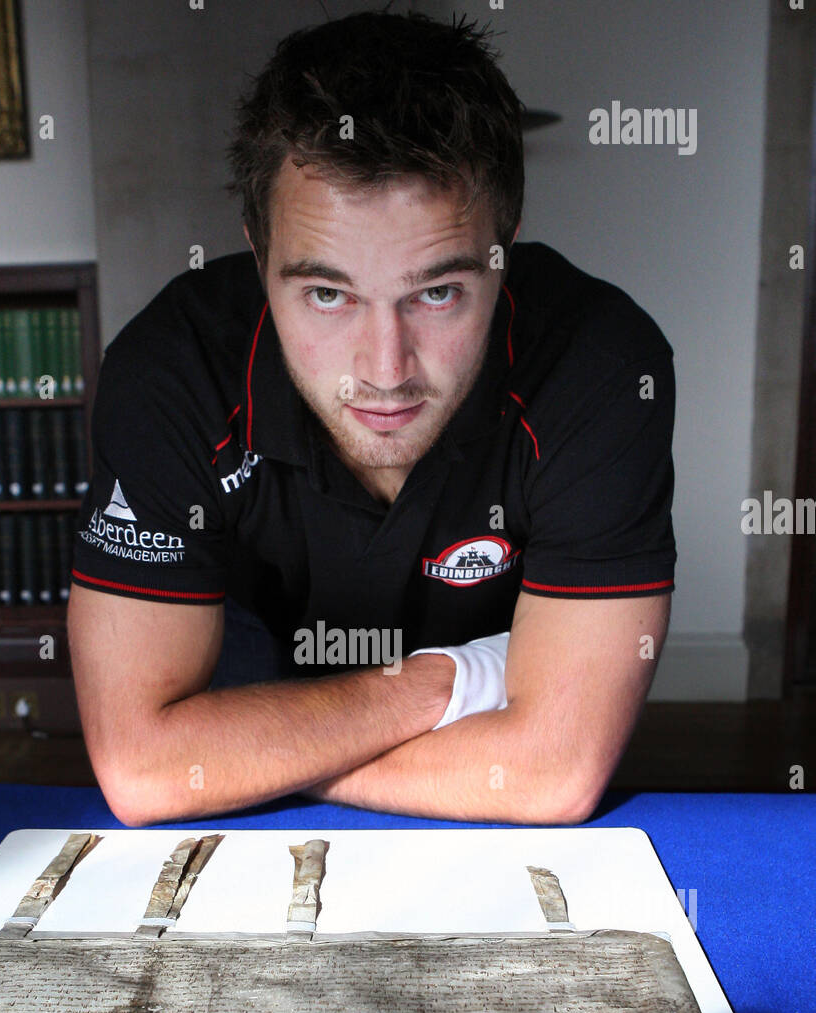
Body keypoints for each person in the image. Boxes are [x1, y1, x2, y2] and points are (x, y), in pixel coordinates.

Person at [67, 10, 675, 826]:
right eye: (328, 294)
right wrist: (445, 681)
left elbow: (551, 774)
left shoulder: (601, 363)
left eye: (437, 293)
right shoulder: (169, 370)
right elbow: (143, 770)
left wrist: (238, 757)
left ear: (506, 246)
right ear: (257, 256)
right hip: (381, 697)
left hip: (408, 760)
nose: (385, 372)